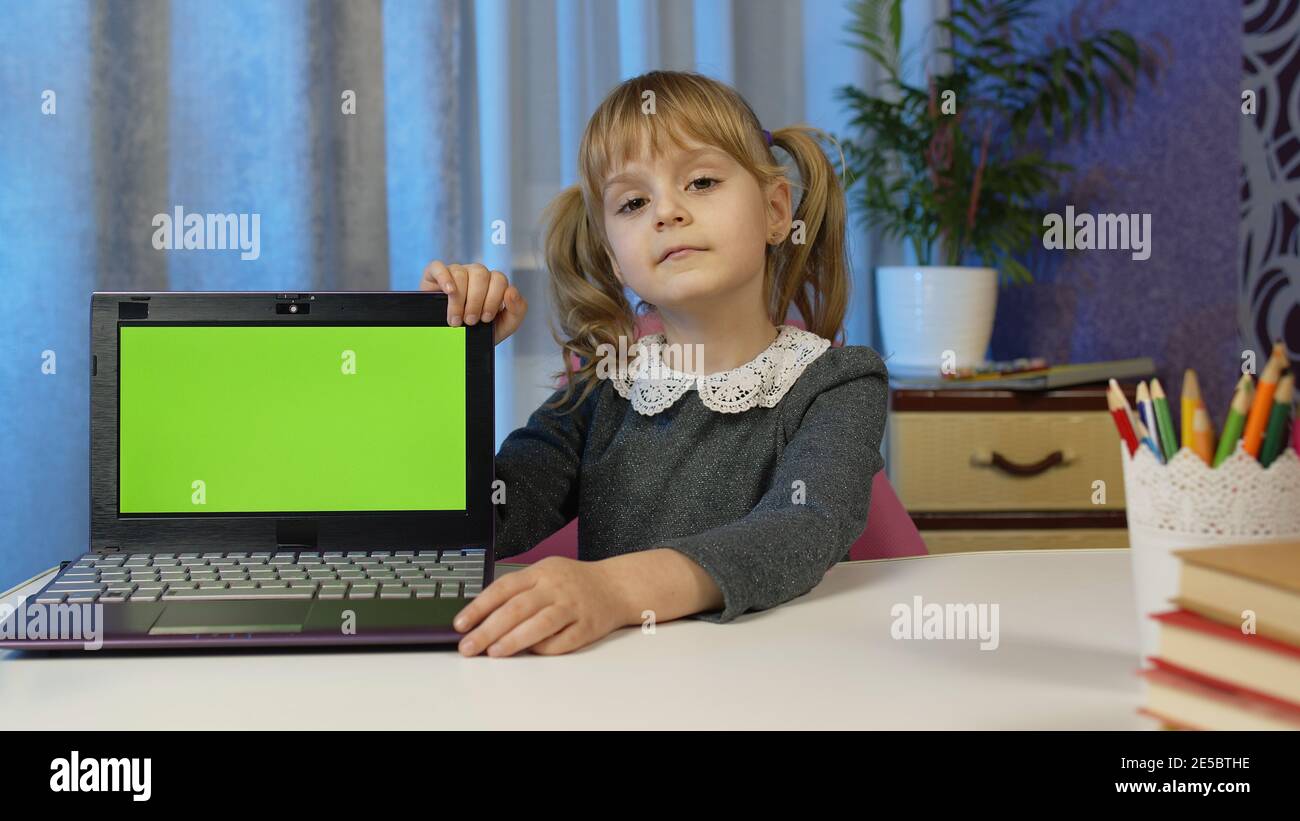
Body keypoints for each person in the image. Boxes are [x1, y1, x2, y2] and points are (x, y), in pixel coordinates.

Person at [419, 69, 889, 657]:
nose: (666, 212)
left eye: (701, 181)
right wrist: (447, 357)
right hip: (620, 690)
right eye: (634, 202)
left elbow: (803, 528)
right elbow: (482, 523)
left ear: (775, 211)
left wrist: (612, 588)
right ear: (614, 257)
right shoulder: (601, 388)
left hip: (778, 685)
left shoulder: (839, 384)